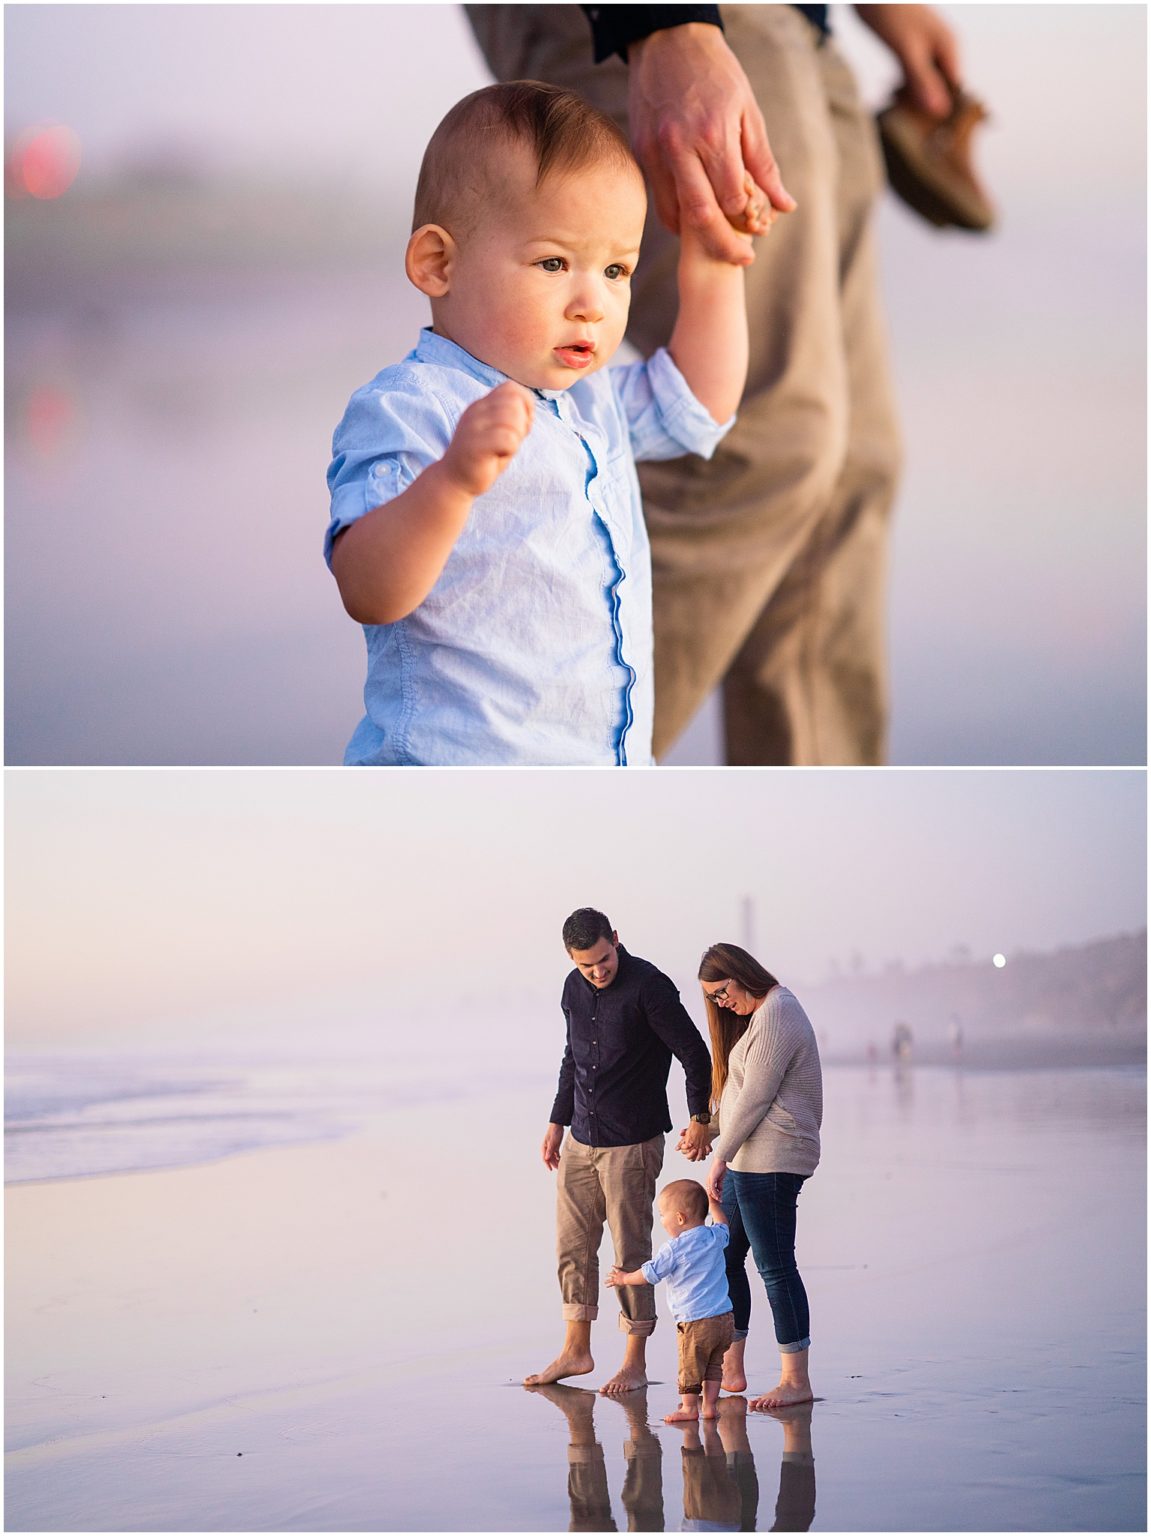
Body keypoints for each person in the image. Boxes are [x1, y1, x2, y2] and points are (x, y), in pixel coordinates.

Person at [464, 5, 965, 764]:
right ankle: (514, 772)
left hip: (796, 22)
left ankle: (806, 847)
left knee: (847, 469)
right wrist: (665, 23)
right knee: (762, 440)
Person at [325, 79, 765, 766]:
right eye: (554, 262)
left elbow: (695, 408)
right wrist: (450, 483)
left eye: (616, 269)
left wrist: (714, 267)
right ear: (438, 264)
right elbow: (369, 590)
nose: (592, 303)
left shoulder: (590, 404)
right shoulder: (414, 406)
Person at [528, 908, 714, 1396]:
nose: (597, 971)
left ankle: (634, 1360)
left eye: (603, 960)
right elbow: (572, 1056)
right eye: (586, 965)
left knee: (631, 1251)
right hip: (580, 1137)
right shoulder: (572, 988)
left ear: (616, 939)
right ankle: (577, 1349)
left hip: (632, 1141)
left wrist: (700, 1119)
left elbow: (694, 1052)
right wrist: (556, 1121)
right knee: (572, 1247)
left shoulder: (649, 986)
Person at [696, 943, 823, 1410]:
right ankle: (732, 1365)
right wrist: (706, 1130)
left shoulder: (779, 1012)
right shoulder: (755, 1023)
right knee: (727, 1258)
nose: (720, 1003)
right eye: (711, 998)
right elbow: (736, 1095)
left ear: (741, 974)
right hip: (747, 1156)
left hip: (773, 1157)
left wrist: (719, 1156)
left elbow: (757, 1097)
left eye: (721, 991)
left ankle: (795, 1379)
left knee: (775, 1267)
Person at [607, 1178, 734, 1424]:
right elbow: (723, 1224)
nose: (661, 1220)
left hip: (695, 1321)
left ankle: (689, 1408)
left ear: (679, 1218)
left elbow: (649, 1274)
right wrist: (713, 1203)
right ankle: (709, 1406)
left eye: (663, 1214)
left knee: (690, 1366)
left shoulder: (674, 1248)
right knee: (714, 1365)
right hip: (724, 1318)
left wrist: (624, 1278)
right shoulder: (713, 1237)